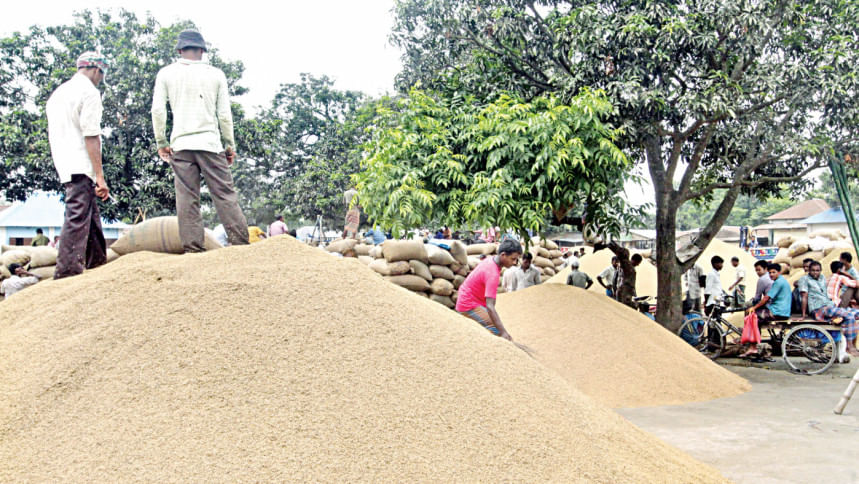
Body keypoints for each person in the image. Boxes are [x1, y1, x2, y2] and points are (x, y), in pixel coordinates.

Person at [152, 30, 249, 252]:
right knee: (224, 195)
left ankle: (193, 249)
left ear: (179, 50)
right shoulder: (216, 74)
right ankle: (240, 245)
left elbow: (158, 111)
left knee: (187, 198)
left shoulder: (166, 74)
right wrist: (229, 145)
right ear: (203, 50)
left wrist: (161, 141)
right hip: (210, 144)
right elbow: (224, 115)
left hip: (181, 145)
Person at [46, 52, 111, 279]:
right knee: (77, 215)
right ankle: (66, 272)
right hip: (80, 162)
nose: (100, 79)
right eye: (101, 75)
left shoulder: (59, 93)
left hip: (64, 161)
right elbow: (91, 135)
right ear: (96, 70)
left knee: (88, 214)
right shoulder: (89, 92)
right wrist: (100, 176)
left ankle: (97, 262)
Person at [455, 239, 522, 340]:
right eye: (513, 259)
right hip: (468, 304)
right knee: (496, 330)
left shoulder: (492, 260)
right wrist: (503, 332)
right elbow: (490, 306)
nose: (515, 262)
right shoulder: (492, 273)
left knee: (494, 323)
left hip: (472, 300)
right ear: (503, 255)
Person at [797, 261, 859, 357]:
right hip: (818, 308)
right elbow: (804, 297)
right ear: (809, 270)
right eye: (813, 270)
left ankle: (850, 341)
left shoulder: (822, 278)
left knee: (856, 313)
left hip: (829, 305)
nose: (815, 272)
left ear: (821, 270)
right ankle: (849, 346)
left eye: (817, 270)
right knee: (848, 315)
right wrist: (803, 315)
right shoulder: (804, 279)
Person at [745, 263, 792, 357]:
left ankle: (754, 346)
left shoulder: (778, 282)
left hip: (778, 311)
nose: (771, 274)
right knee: (757, 315)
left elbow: (766, 298)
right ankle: (755, 344)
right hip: (782, 310)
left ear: (779, 272)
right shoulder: (782, 280)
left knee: (753, 316)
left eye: (774, 272)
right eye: (770, 272)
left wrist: (754, 307)